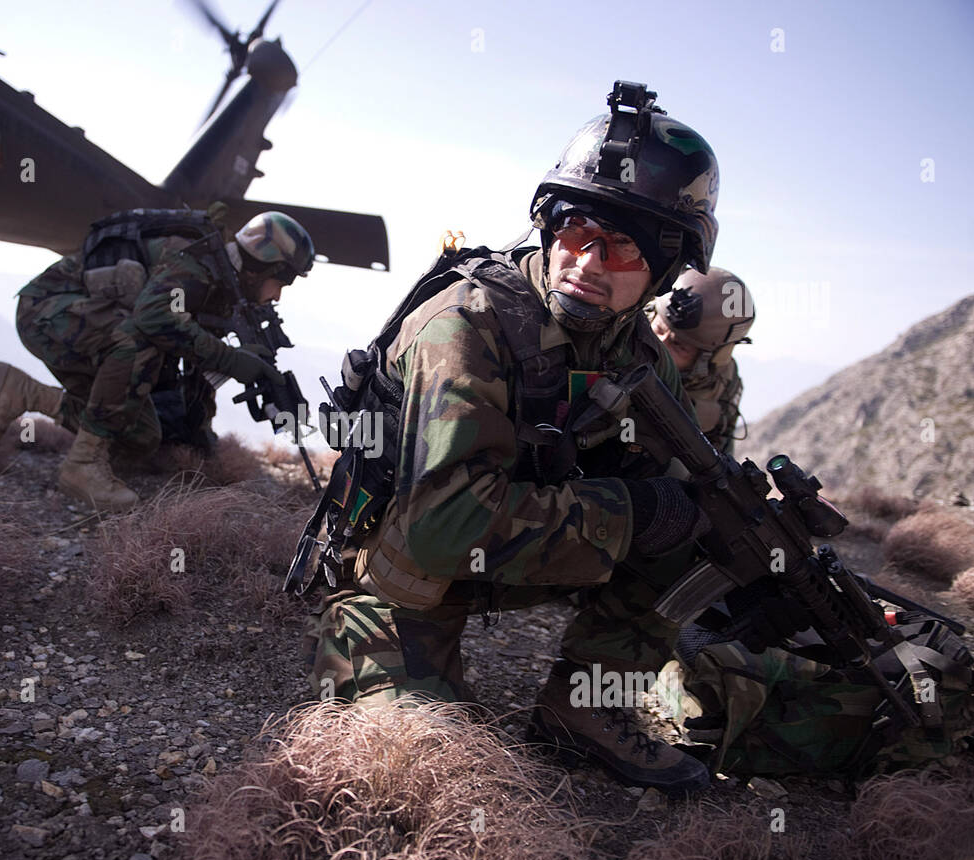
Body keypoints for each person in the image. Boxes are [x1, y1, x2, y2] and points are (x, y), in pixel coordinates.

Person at [301, 82, 721, 793]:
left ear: (666, 268)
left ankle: (587, 707)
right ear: (547, 227)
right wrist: (634, 513)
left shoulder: (633, 351)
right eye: (574, 231)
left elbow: (684, 477)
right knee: (432, 775)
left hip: (508, 548)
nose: (587, 262)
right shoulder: (467, 327)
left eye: (622, 248)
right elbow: (441, 528)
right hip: (404, 574)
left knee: (699, 530)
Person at [0, 209, 315, 512]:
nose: (278, 294)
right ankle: (82, 465)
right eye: (282, 281)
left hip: (85, 327)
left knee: (141, 438)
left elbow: (198, 365)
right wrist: (232, 360)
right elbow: (154, 318)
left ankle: (24, 393)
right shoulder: (196, 265)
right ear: (262, 266)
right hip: (47, 312)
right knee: (144, 339)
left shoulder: (225, 287)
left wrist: (199, 434)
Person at [646, 267, 754, 455]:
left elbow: (719, 451)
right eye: (659, 330)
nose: (660, 345)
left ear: (706, 360)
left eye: (679, 346)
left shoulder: (721, 386)